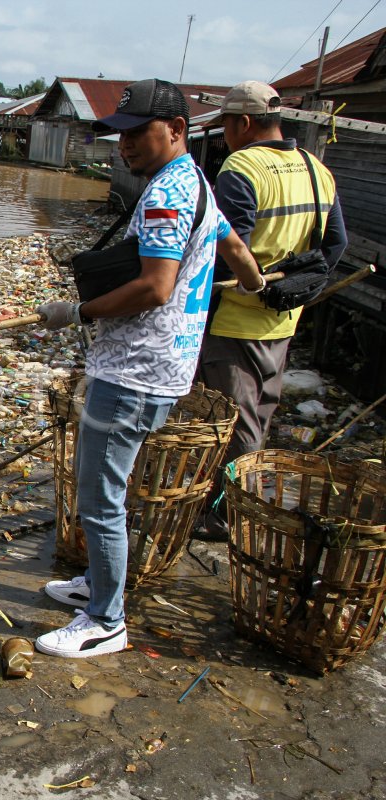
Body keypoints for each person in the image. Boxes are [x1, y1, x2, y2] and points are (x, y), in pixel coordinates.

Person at [34, 79, 265, 659]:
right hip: (165, 368)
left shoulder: (166, 195)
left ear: (176, 130)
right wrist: (256, 281)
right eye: (122, 134)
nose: (126, 146)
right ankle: (97, 583)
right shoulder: (197, 184)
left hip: (133, 372)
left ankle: (106, 620)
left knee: (100, 498)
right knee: (109, 488)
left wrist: (76, 312)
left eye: (138, 133)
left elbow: (156, 287)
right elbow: (232, 245)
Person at [195, 80, 348, 540]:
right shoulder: (316, 167)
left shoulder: (242, 166)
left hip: (236, 317)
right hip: (284, 317)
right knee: (258, 413)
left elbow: (229, 246)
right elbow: (334, 244)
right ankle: (233, 504)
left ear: (243, 122)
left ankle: (225, 517)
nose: (224, 135)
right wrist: (298, 288)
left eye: (225, 125)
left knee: (232, 421)